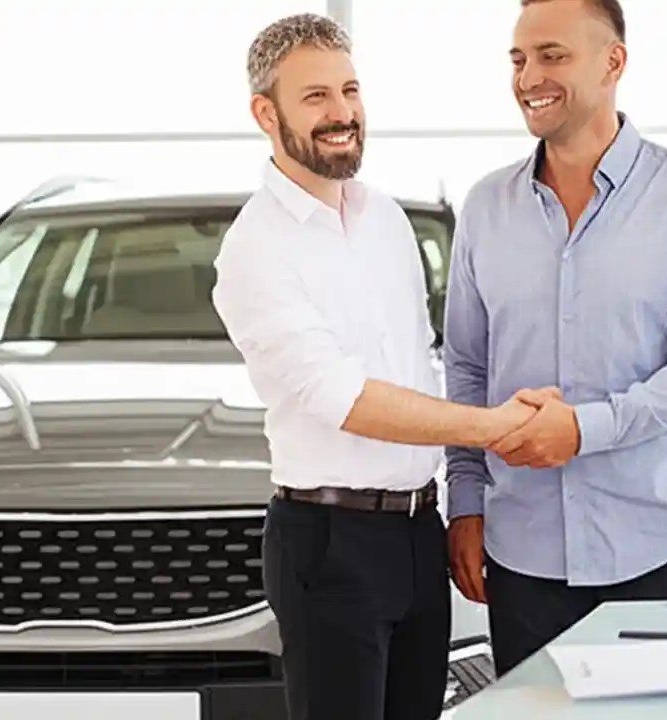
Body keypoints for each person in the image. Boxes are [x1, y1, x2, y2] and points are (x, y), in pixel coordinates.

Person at [211, 14, 554, 720]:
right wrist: (494, 428)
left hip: (414, 533)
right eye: (315, 98)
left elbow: (426, 367)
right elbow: (345, 398)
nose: (342, 114)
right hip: (330, 542)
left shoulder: (386, 222)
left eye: (350, 90)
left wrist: (463, 498)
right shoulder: (256, 248)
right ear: (264, 113)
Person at [442, 0, 667, 676]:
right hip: (522, 555)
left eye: (552, 56)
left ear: (614, 62)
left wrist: (586, 429)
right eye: (519, 59)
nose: (529, 77)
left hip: (661, 548)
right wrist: (465, 501)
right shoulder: (486, 207)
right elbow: (466, 367)